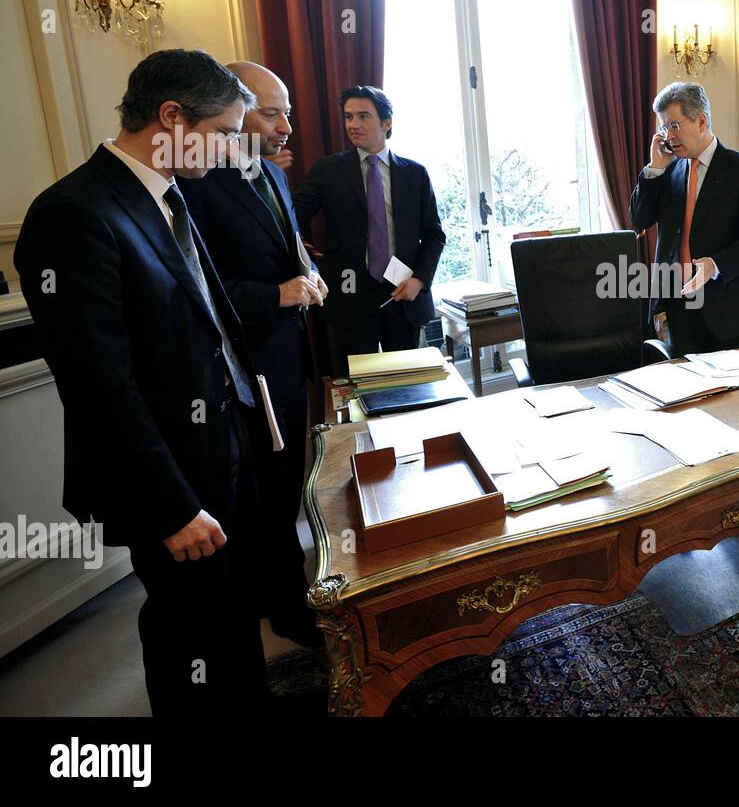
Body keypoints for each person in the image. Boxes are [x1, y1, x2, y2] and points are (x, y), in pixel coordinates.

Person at [15, 49, 273, 714]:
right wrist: (171, 507)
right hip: (173, 477)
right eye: (221, 133)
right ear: (170, 117)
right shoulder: (72, 213)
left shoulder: (170, 194)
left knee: (233, 611)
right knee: (188, 631)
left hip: (226, 444)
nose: (227, 151)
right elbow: (99, 384)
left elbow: (208, 322)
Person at [176, 61, 327, 647]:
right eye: (272, 112)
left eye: (287, 110)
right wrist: (279, 294)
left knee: (289, 487)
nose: (286, 123)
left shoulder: (274, 174)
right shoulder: (195, 184)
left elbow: (287, 249)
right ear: (234, 114)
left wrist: (306, 271)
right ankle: (289, 613)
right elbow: (201, 290)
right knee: (265, 501)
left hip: (289, 360)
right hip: (244, 374)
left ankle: (288, 594)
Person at [293, 86, 446, 370]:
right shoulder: (327, 171)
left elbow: (434, 235)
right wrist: (316, 268)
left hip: (403, 296)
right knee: (358, 390)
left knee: (407, 386)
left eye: (363, 116)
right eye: (349, 116)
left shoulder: (414, 174)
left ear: (386, 124)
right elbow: (291, 220)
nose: (353, 124)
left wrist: (420, 280)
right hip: (349, 299)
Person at [629, 82, 739, 355]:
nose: (668, 136)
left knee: (734, 397)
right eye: (663, 127)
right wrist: (654, 169)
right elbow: (640, 219)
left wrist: (715, 264)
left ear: (701, 120)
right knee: (686, 396)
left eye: (674, 125)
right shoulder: (668, 171)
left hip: (729, 313)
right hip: (680, 311)